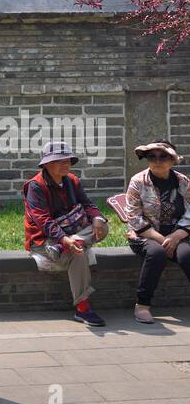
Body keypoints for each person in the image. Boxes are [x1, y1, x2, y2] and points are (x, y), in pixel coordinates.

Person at [23, 139, 110, 327]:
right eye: (59, 161)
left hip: (72, 234)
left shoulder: (72, 180)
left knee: (103, 227)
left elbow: (87, 204)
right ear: (47, 164)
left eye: (67, 160)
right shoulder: (35, 186)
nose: (65, 164)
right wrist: (63, 239)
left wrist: (97, 218)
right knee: (77, 254)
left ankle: (68, 245)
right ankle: (83, 307)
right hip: (45, 240)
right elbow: (43, 220)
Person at [125, 140, 190, 324]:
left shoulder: (183, 181)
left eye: (163, 156)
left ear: (173, 160)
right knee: (157, 253)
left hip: (177, 233)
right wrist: (162, 239)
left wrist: (177, 235)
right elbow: (133, 216)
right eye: (152, 156)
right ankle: (142, 305)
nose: (157, 161)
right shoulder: (138, 181)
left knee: (187, 255)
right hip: (145, 234)